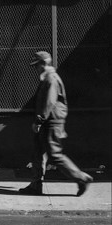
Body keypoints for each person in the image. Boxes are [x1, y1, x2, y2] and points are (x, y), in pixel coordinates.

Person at [18, 50, 92, 197]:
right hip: (47, 121)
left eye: (37, 65)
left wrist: (40, 120)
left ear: (44, 64)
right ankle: (35, 185)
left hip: (51, 122)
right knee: (37, 153)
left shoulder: (51, 79)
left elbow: (50, 102)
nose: (36, 68)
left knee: (55, 155)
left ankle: (81, 178)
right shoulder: (47, 78)